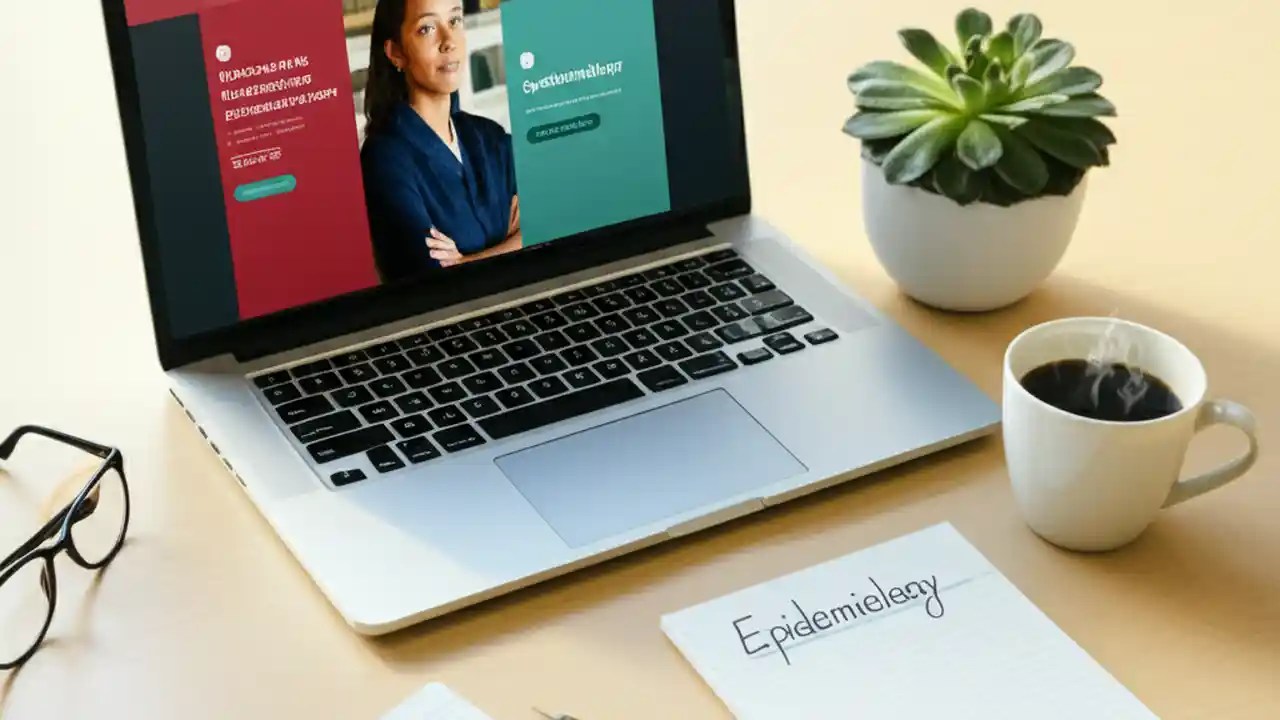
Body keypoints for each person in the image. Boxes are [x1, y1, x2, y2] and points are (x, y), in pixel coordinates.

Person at [361, 0, 522, 282]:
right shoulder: (384, 159)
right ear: (397, 52)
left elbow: (548, 230)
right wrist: (512, 244)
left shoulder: (491, 138)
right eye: (427, 28)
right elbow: (434, 280)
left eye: (455, 21)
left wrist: (466, 260)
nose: (449, 41)